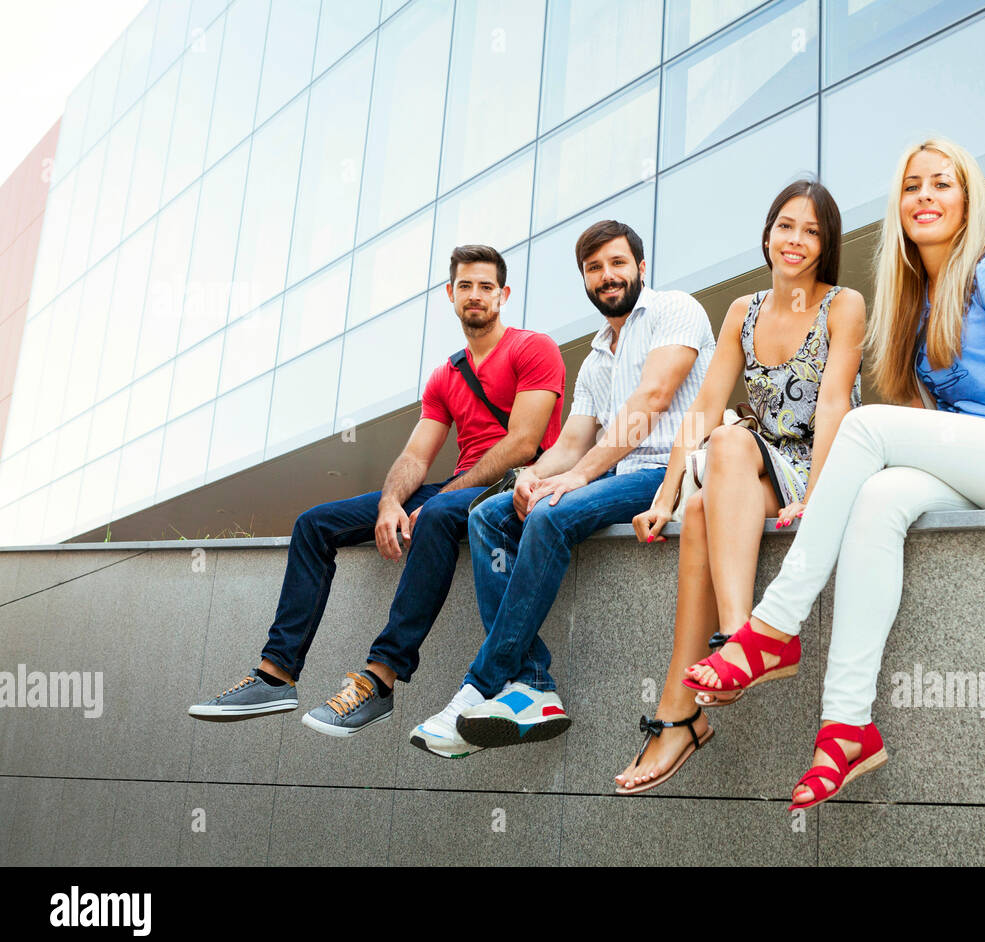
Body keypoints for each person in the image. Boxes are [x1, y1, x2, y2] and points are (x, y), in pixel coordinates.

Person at [683, 137, 985, 810]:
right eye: (911, 186)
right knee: (879, 496)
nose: (925, 197)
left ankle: (771, 628)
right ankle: (848, 728)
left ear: (968, 201)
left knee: (864, 425)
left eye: (941, 184)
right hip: (979, 472)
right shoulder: (914, 300)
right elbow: (933, 428)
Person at [188, 245, 566, 736]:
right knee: (315, 524)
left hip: (517, 487)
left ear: (504, 294)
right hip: (456, 489)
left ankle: (379, 679)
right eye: (466, 286)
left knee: (434, 512)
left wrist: (436, 497)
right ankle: (275, 675)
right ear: (450, 294)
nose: (475, 295)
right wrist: (390, 502)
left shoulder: (532, 348)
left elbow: (523, 444)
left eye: (486, 287)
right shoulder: (446, 375)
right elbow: (414, 456)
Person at [409, 220, 716, 758]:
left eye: (618, 263)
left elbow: (653, 399)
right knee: (489, 515)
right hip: (616, 476)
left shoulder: (676, 310)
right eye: (594, 268)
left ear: (641, 268)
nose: (607, 276)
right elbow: (573, 440)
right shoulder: (598, 355)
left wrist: (574, 480)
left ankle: (478, 687)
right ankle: (531, 686)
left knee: (551, 515)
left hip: (670, 473)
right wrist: (534, 477)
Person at [613, 180, 866, 794]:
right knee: (699, 503)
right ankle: (687, 709)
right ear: (768, 233)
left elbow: (833, 404)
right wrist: (664, 496)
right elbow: (702, 408)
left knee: (726, 448)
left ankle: (735, 647)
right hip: (761, 464)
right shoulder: (741, 313)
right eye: (786, 225)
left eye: (811, 230)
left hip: (828, 462)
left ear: (826, 243)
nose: (796, 240)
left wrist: (820, 494)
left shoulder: (844, 304)